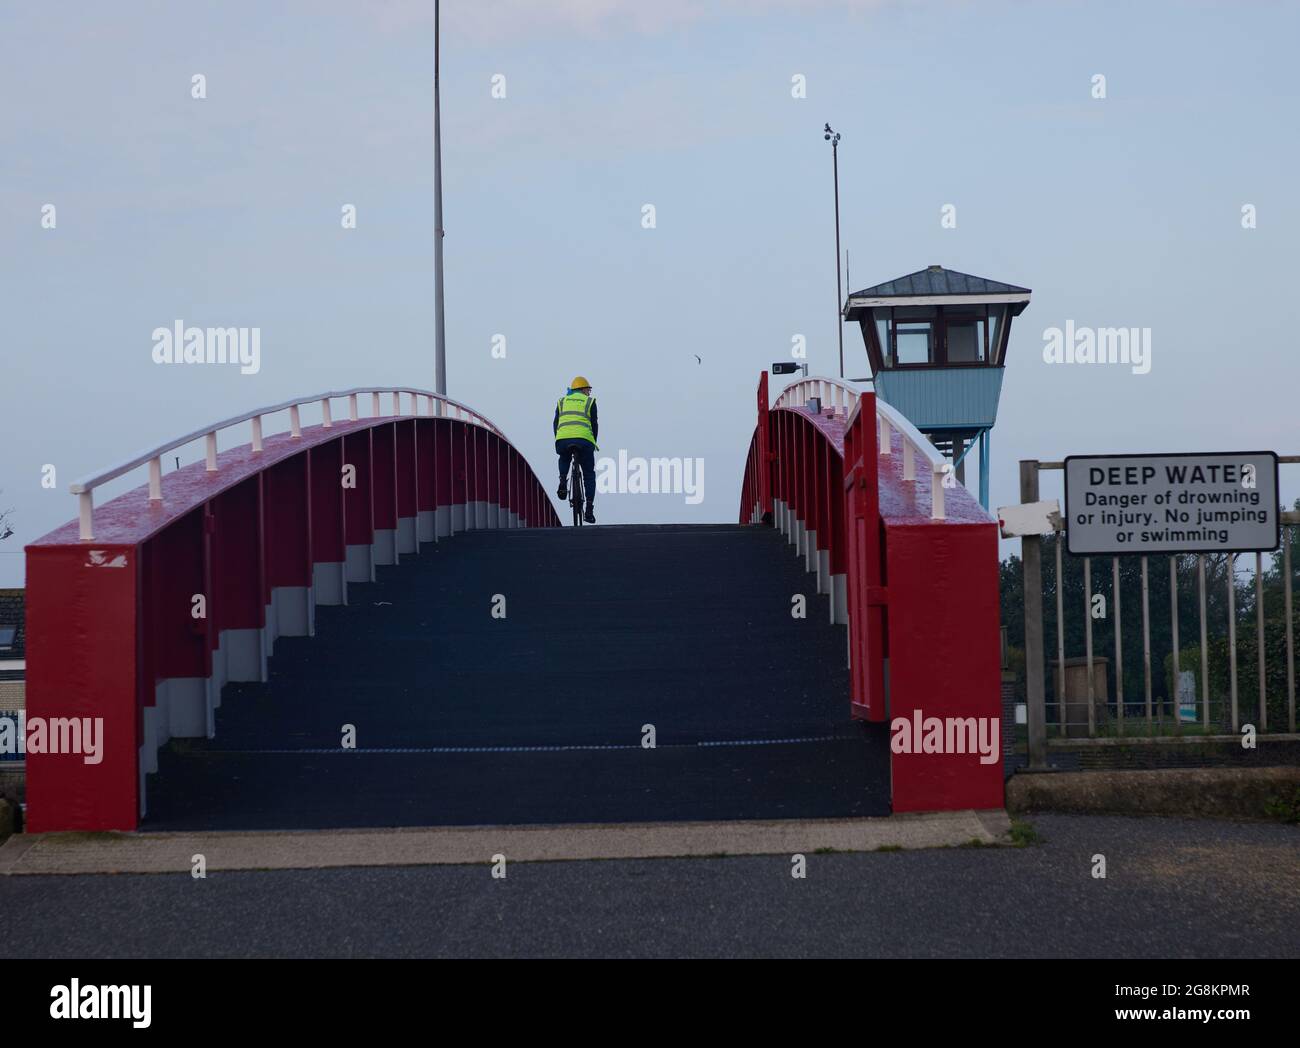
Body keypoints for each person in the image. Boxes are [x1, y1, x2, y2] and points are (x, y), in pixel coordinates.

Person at [554, 375, 598, 523]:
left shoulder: (561, 401)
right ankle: (589, 510)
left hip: (563, 438)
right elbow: (594, 425)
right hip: (584, 440)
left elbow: (556, 423)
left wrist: (559, 439)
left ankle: (562, 482)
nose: (588, 393)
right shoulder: (590, 402)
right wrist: (592, 443)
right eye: (588, 389)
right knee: (589, 474)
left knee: (564, 456)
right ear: (582, 389)